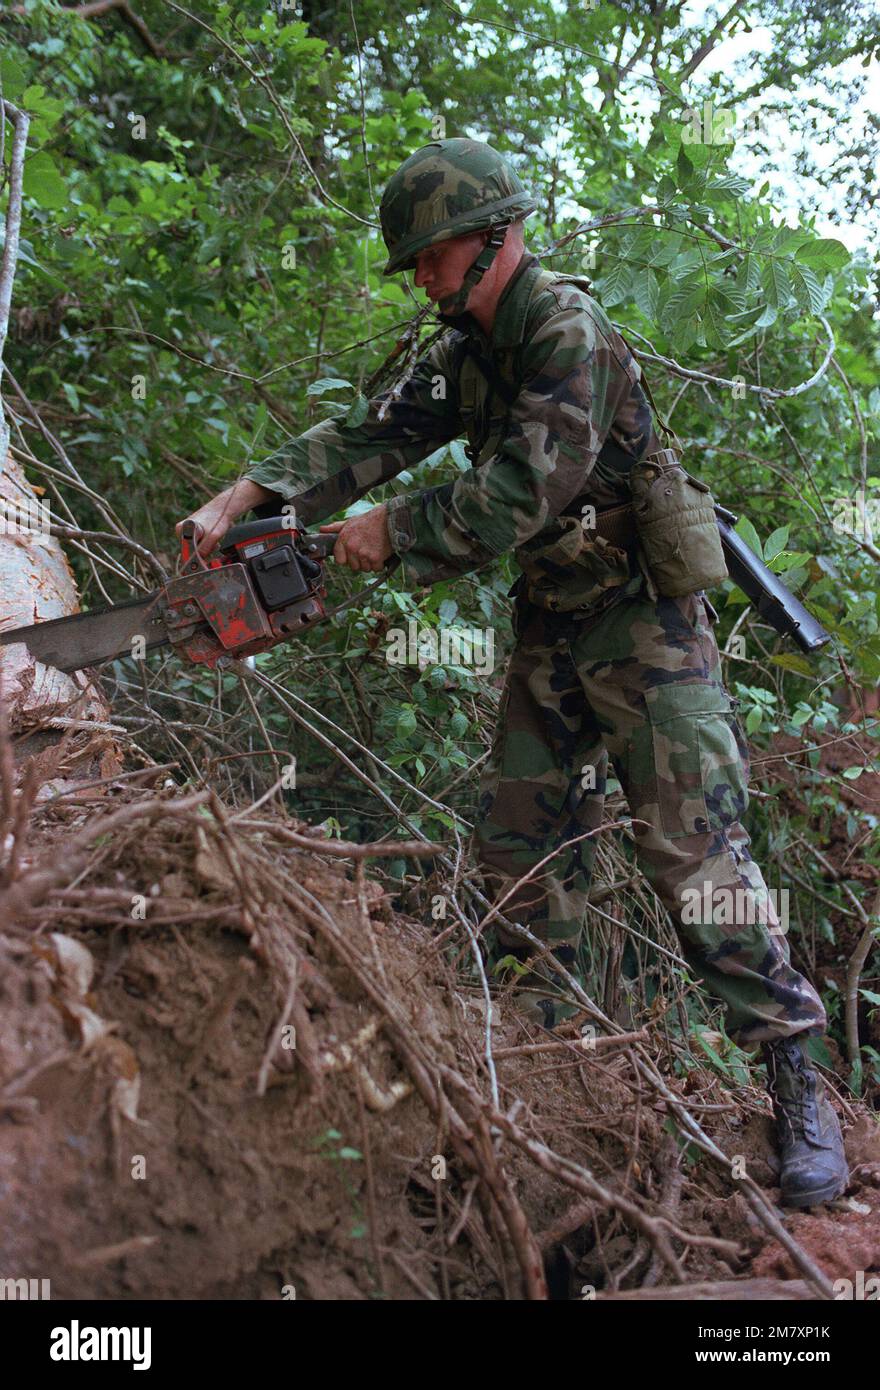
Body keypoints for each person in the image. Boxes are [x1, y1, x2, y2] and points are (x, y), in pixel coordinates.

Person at [178, 138, 848, 1208]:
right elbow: (375, 430)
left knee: (698, 855)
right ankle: (556, 1078)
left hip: (645, 629)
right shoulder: (465, 347)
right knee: (522, 855)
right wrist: (246, 493)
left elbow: (518, 493)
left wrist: (386, 533)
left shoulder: (562, 330)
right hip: (554, 620)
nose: (422, 278)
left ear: (490, 239)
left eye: (432, 257)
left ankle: (795, 1088)